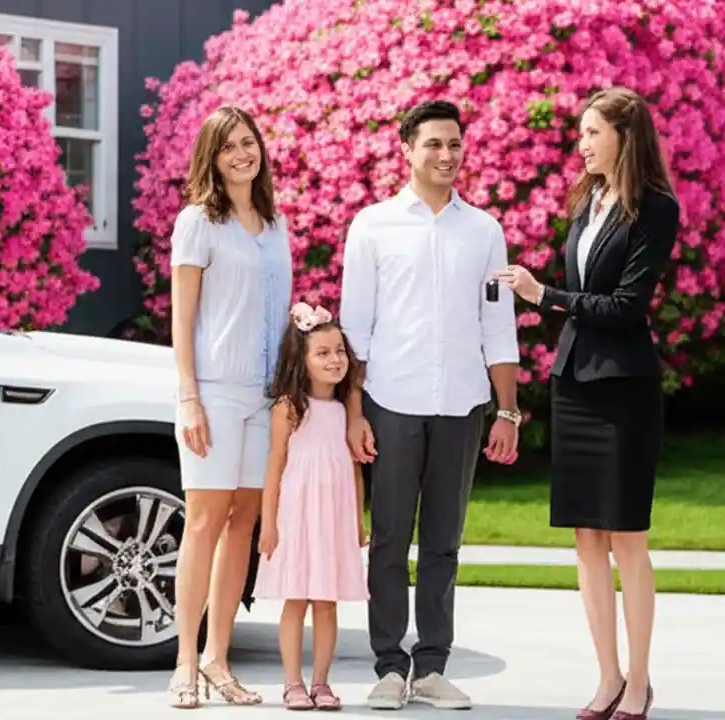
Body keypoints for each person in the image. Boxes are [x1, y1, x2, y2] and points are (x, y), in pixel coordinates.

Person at [492, 86, 678, 720]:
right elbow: (584, 292)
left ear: (623, 136)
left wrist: (543, 296)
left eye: (591, 132)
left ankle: (639, 681)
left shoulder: (655, 209)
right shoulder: (588, 201)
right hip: (574, 384)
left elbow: (626, 308)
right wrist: (544, 294)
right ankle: (607, 677)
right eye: (580, 132)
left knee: (627, 539)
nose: (581, 142)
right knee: (586, 540)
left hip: (623, 391)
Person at [339, 99, 521, 710]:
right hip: (391, 401)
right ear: (407, 150)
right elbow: (354, 328)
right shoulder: (372, 226)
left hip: (464, 405)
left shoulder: (485, 231)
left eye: (454, 144)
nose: (446, 155)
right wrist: (355, 410)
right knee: (390, 538)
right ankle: (390, 666)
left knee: (444, 540)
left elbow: (498, 327)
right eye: (433, 145)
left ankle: (434, 665)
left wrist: (507, 410)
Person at [167, 105, 293, 709]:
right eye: (230, 146)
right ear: (211, 158)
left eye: (250, 142)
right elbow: (183, 319)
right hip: (214, 392)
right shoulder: (198, 223)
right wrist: (188, 397)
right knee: (204, 520)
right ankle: (185, 659)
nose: (244, 153)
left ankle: (219, 657)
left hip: (265, 396)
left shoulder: (273, 224)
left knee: (242, 522)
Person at [254, 302, 369, 711]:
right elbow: (275, 467)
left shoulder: (344, 412)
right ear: (301, 360)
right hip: (297, 515)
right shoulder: (288, 406)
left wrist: (357, 520)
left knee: (326, 600)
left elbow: (353, 470)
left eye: (339, 351)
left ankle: (322, 682)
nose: (334, 359)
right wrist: (268, 523)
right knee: (296, 597)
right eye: (322, 353)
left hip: (333, 516)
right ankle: (292, 682)